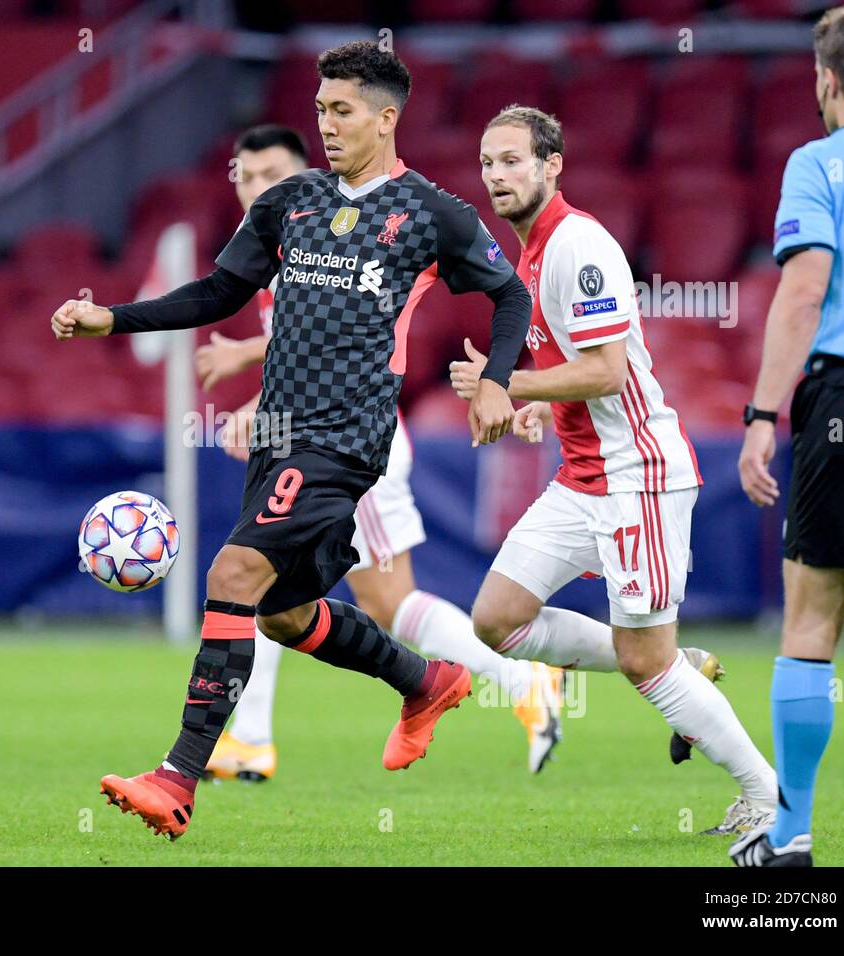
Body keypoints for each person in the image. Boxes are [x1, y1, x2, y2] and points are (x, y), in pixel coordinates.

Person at [51, 40, 531, 840]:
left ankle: (178, 777)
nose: (327, 124)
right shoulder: (290, 202)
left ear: (386, 117)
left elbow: (509, 296)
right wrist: (113, 317)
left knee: (233, 570)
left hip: (345, 439)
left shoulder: (433, 214)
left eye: (342, 110)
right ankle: (427, 680)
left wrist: (497, 382)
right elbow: (217, 292)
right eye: (320, 109)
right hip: (280, 433)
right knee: (281, 613)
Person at [196, 123, 564, 783]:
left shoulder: (321, 233)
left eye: (271, 173)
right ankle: (250, 738)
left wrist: (259, 406)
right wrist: (247, 360)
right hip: (330, 436)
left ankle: (519, 679)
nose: (257, 187)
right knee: (277, 585)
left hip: (349, 444)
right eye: (244, 176)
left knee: (333, 593)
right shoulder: (286, 238)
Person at [451, 105, 777, 837]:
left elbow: (603, 370)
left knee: (644, 665)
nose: (498, 176)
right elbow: (572, 367)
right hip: (581, 475)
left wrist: (510, 387)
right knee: (497, 620)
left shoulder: (578, 244)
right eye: (488, 163)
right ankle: (679, 659)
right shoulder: (528, 252)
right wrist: (536, 405)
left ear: (552, 165)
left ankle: (765, 796)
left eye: (513, 161)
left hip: (638, 478)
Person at [731, 3, 844, 868]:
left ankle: (791, 834)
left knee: (812, 622)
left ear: (826, 81)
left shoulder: (817, 162)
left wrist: (760, 415)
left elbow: (801, 292)